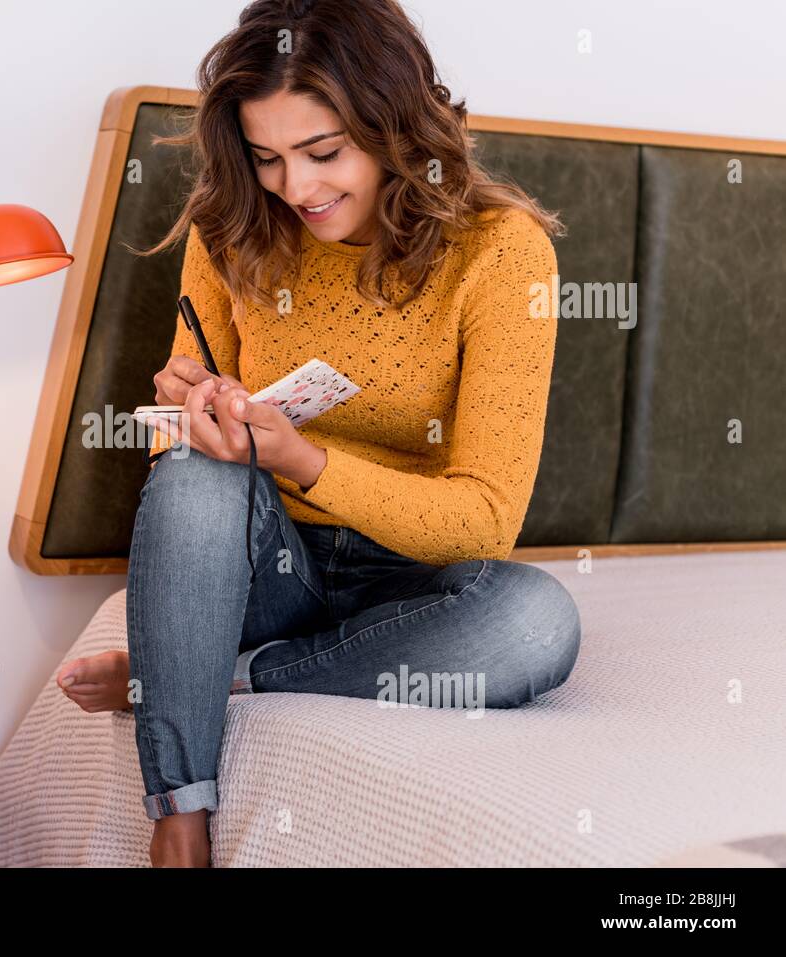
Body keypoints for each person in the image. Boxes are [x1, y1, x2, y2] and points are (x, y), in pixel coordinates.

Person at [58, 0, 582, 868]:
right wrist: (190, 414)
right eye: (267, 159)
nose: (296, 188)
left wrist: (301, 456)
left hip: (412, 578)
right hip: (269, 566)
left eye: (324, 152)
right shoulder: (230, 231)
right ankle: (179, 811)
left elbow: (487, 521)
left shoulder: (502, 252)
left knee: (534, 624)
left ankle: (217, 674)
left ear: (395, 126)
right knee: (192, 464)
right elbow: (181, 486)